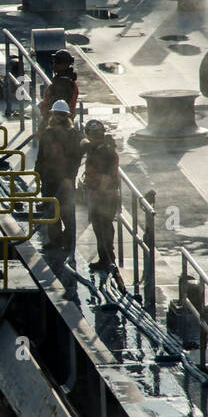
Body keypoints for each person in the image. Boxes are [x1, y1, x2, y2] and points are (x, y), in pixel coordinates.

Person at [35, 100, 86, 252]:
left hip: (65, 181)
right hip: (49, 179)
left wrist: (69, 178)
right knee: (51, 213)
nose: (58, 118)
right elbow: (41, 157)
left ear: (66, 117)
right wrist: (39, 173)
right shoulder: (47, 134)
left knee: (66, 212)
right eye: (56, 115)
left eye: (61, 115)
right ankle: (55, 241)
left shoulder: (73, 135)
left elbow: (76, 159)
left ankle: (68, 242)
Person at [82, 119, 122, 270]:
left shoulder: (105, 151)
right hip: (98, 193)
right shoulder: (97, 148)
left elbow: (107, 175)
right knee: (99, 227)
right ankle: (105, 258)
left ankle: (108, 259)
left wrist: (100, 193)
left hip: (104, 195)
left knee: (103, 226)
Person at [37, 49, 80, 134]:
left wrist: (43, 127)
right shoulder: (65, 80)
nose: (54, 65)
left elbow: (58, 109)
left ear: (65, 64)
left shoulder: (63, 84)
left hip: (57, 125)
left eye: (57, 62)